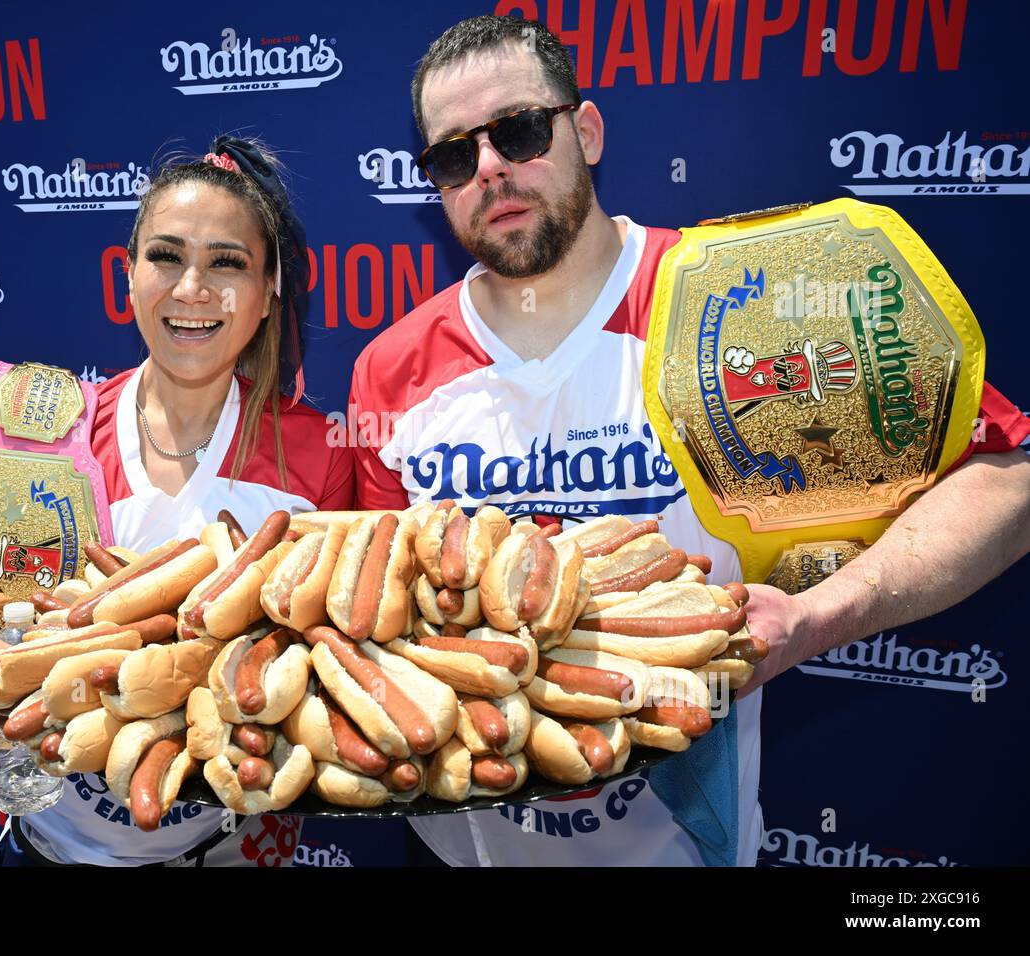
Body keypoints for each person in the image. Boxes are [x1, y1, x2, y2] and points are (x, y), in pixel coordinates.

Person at [349, 15, 1030, 866]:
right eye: (455, 155)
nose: (490, 168)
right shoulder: (391, 370)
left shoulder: (740, 306)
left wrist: (819, 616)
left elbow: (1005, 477)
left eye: (519, 131)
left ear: (586, 130)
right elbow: (376, 614)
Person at [0, 137, 354, 866]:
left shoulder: (320, 454)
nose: (191, 289)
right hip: (42, 847)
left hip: (230, 851)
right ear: (129, 276)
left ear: (271, 287)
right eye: (167, 256)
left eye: (228, 262)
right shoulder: (38, 425)